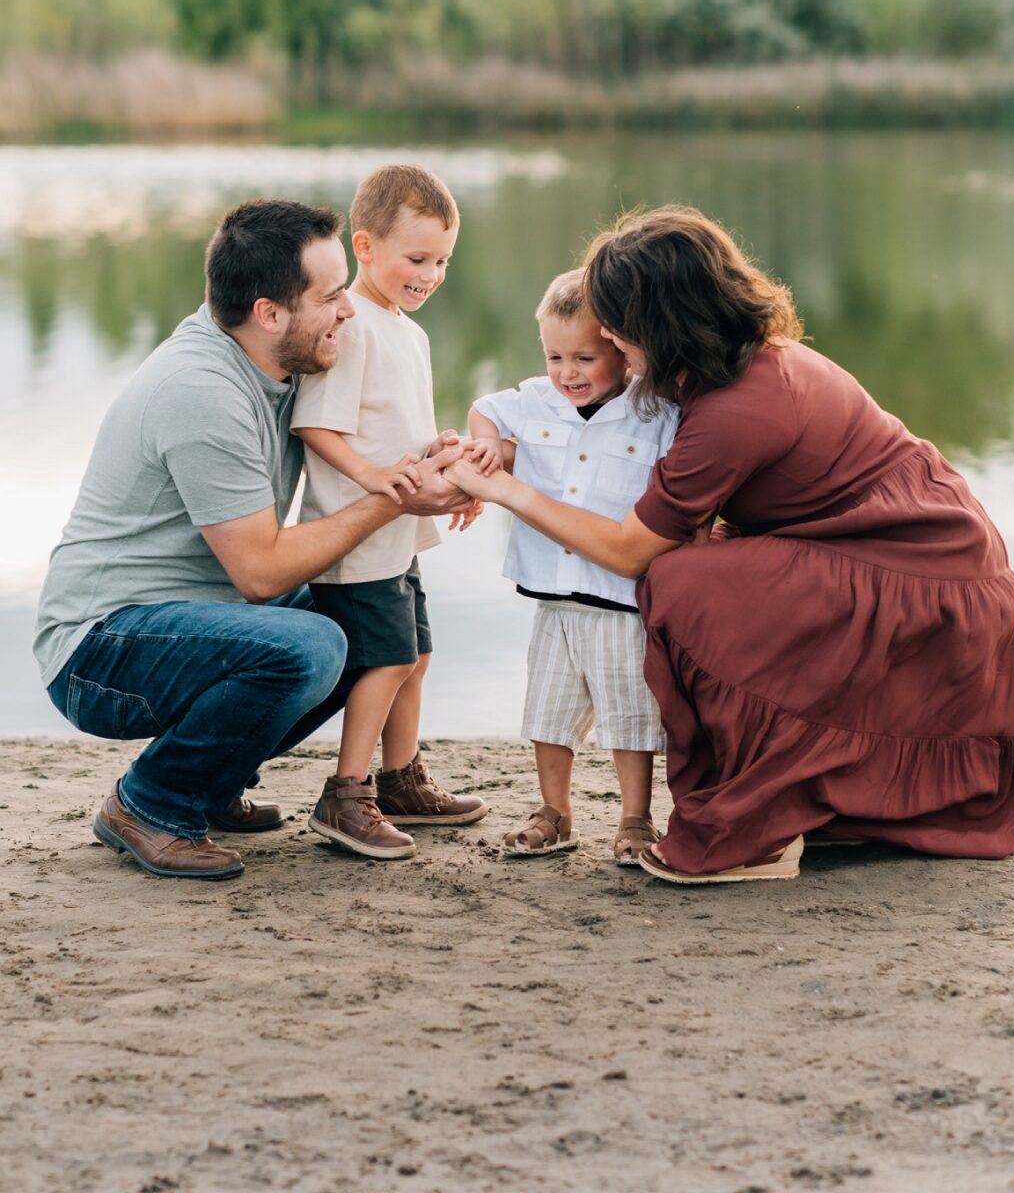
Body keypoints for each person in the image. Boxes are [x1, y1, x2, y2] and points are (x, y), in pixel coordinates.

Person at [449, 206, 1014, 885]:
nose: (607, 333)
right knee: (701, 569)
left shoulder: (736, 406)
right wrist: (499, 449)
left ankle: (760, 830)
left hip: (928, 578)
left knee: (681, 584)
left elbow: (628, 552)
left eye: (616, 321)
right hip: (902, 558)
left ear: (660, 320)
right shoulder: (729, 368)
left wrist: (505, 491)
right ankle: (811, 797)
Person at [34, 198, 471, 881]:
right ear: (269, 312)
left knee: (359, 612)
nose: (349, 309)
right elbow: (261, 575)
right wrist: (395, 501)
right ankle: (151, 801)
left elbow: (365, 437)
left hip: (188, 621)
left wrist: (431, 463)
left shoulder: (279, 358)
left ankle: (211, 783)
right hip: (100, 649)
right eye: (330, 297)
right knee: (313, 644)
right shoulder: (202, 391)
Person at [291, 165, 487, 860]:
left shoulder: (409, 332)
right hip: (356, 537)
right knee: (385, 661)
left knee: (417, 655)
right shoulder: (352, 324)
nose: (430, 275)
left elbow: (397, 429)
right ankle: (346, 794)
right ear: (366, 248)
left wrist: (441, 456)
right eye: (417, 258)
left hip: (398, 535)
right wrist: (374, 478)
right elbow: (317, 425)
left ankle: (402, 780)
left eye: (442, 261)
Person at [468, 269, 678, 865]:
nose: (567, 373)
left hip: (618, 599)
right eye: (555, 357)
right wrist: (487, 446)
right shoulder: (535, 400)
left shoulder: (655, 411)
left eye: (584, 358)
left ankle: (636, 816)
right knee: (549, 711)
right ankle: (554, 812)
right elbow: (484, 409)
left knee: (629, 713)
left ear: (623, 349)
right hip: (552, 595)